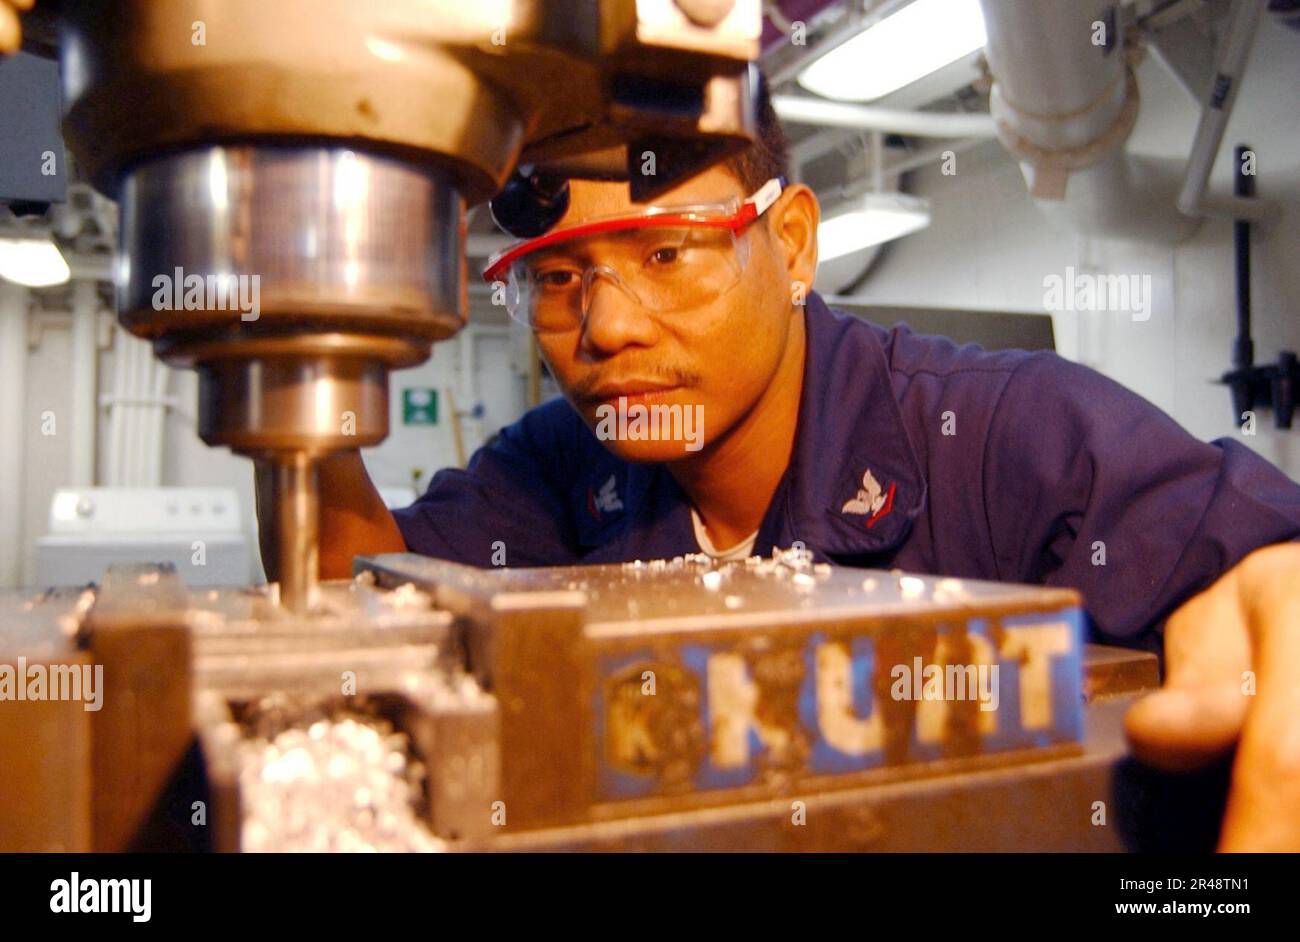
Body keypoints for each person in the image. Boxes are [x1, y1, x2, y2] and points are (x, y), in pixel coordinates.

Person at [260, 82, 1300, 852]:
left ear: (793, 245)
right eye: (559, 276)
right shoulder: (563, 464)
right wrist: (287, 355)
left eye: (665, 254)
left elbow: (1259, 579)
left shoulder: (1009, 432)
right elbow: (362, 588)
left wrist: (1271, 591)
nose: (607, 326)